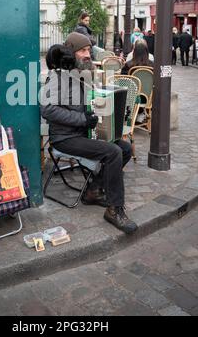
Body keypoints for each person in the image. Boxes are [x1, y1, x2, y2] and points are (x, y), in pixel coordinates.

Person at [41, 32, 138, 234]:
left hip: (84, 133)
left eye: (88, 50)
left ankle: (93, 190)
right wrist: (82, 119)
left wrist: (106, 107)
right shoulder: (57, 76)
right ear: (71, 53)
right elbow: (47, 109)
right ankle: (115, 210)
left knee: (125, 148)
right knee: (113, 152)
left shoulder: (84, 74)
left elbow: (92, 101)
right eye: (83, 50)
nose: (88, 54)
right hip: (65, 138)